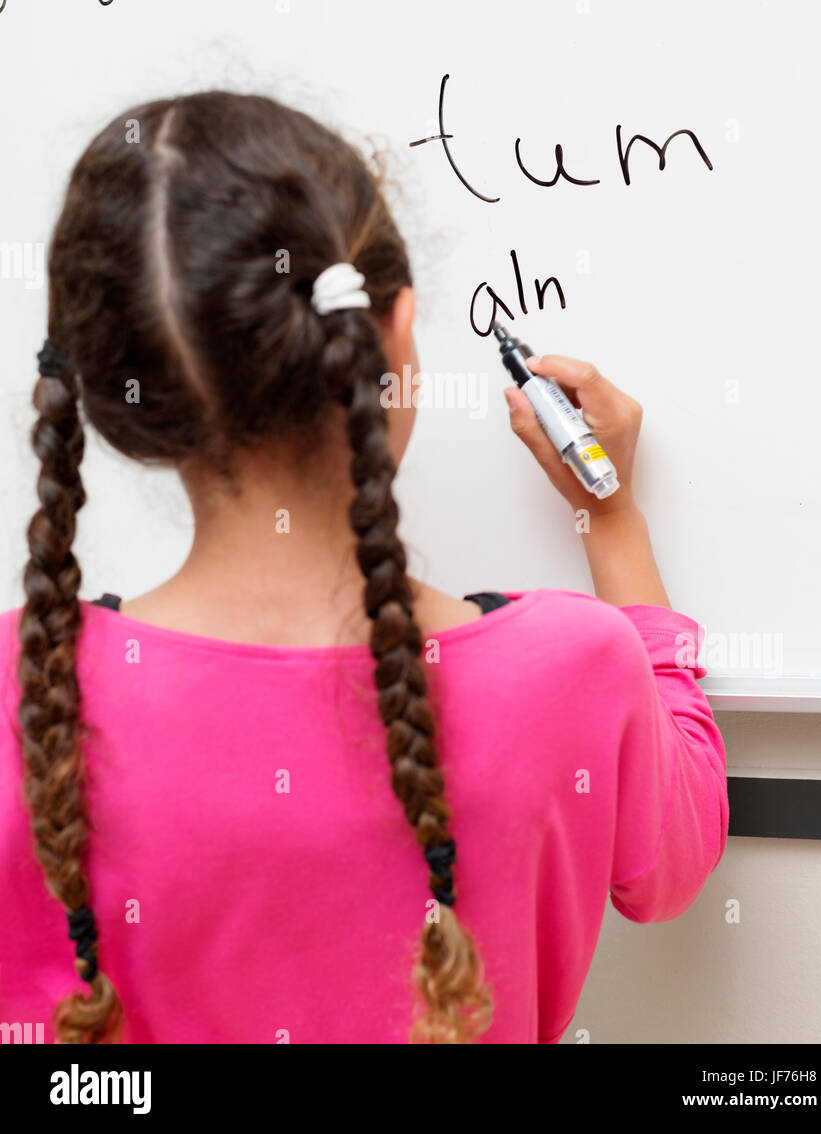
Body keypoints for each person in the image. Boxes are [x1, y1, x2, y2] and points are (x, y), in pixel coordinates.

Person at [0, 91, 728, 1044]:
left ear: (107, 393)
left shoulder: (29, 688)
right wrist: (612, 520)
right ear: (391, 333)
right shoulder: (567, 668)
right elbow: (672, 863)